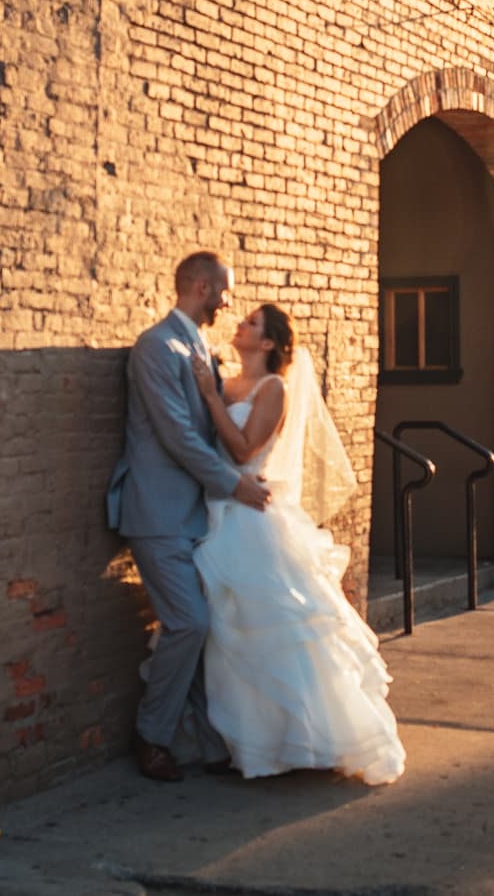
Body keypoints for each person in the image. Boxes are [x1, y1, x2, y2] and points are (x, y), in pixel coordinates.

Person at [190, 302, 405, 785]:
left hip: (254, 514)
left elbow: (244, 448)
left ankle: (308, 737)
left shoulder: (273, 389)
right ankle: (250, 744)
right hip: (218, 511)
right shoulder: (227, 381)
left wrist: (208, 399)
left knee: (272, 626)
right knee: (228, 630)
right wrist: (212, 391)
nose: (240, 326)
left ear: (267, 343)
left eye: (251, 324)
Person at [107, 251, 271, 783]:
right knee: (190, 622)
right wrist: (232, 485)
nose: (228, 302)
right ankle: (151, 736)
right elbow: (177, 435)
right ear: (202, 286)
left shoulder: (201, 349)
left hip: (197, 518)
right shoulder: (156, 348)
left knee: (206, 628)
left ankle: (204, 739)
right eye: (224, 291)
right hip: (156, 514)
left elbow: (213, 429)